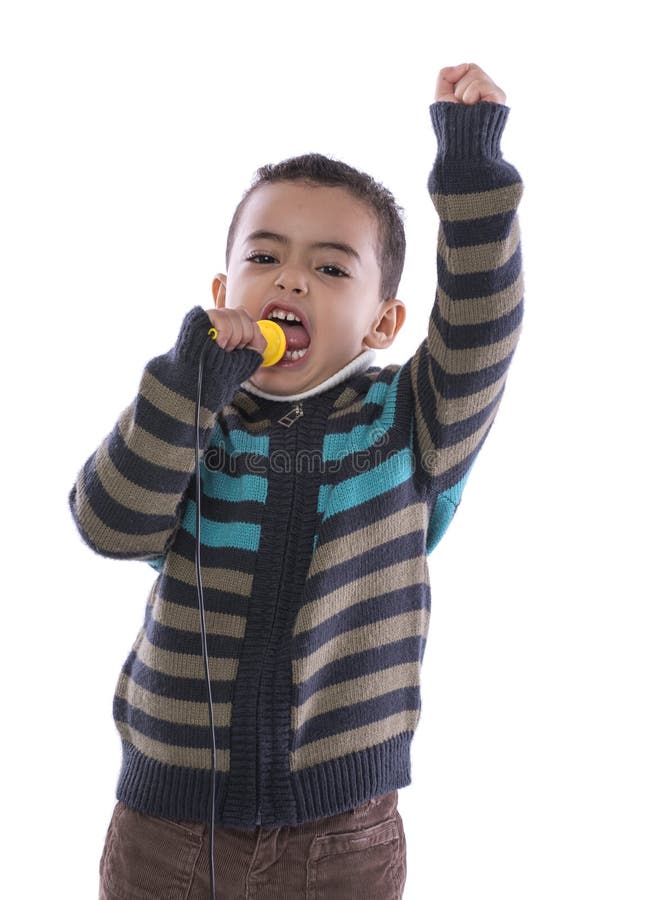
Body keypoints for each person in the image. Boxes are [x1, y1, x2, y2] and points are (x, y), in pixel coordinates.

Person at [69, 62, 524, 899]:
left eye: (331, 268)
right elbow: (109, 522)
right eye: (266, 256)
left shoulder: (409, 422)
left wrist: (471, 170)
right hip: (164, 832)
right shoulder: (190, 420)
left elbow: (482, 317)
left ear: (384, 321)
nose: (291, 280)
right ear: (222, 289)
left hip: (341, 836)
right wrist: (188, 383)